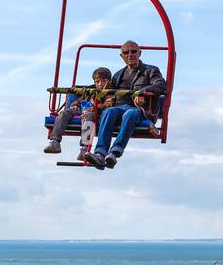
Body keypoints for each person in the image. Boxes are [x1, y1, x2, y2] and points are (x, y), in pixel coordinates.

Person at [88, 42, 167, 170]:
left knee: (130, 113)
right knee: (109, 112)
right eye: (126, 52)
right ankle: (100, 153)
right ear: (121, 56)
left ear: (139, 53)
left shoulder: (151, 71)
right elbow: (106, 91)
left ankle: (114, 152)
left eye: (133, 51)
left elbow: (162, 86)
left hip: (141, 109)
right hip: (119, 107)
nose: (130, 55)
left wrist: (142, 92)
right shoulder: (118, 75)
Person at [44, 67, 113, 159]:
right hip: (83, 109)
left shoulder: (111, 92)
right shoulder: (91, 91)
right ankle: (55, 141)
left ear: (109, 81)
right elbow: (80, 101)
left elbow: (109, 104)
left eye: (103, 81)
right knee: (65, 112)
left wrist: (95, 108)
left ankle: (84, 148)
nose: (100, 84)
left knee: (88, 116)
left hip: (97, 113)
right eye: (97, 82)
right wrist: (75, 105)